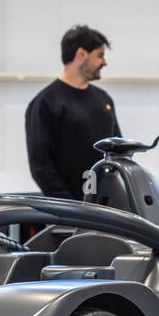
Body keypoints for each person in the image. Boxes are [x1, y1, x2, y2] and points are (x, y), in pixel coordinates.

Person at [25, 24, 121, 201]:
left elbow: (118, 151)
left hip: (108, 210)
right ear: (81, 54)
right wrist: (70, 208)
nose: (104, 62)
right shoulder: (45, 103)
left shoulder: (104, 100)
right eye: (100, 55)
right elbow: (41, 166)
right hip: (67, 215)